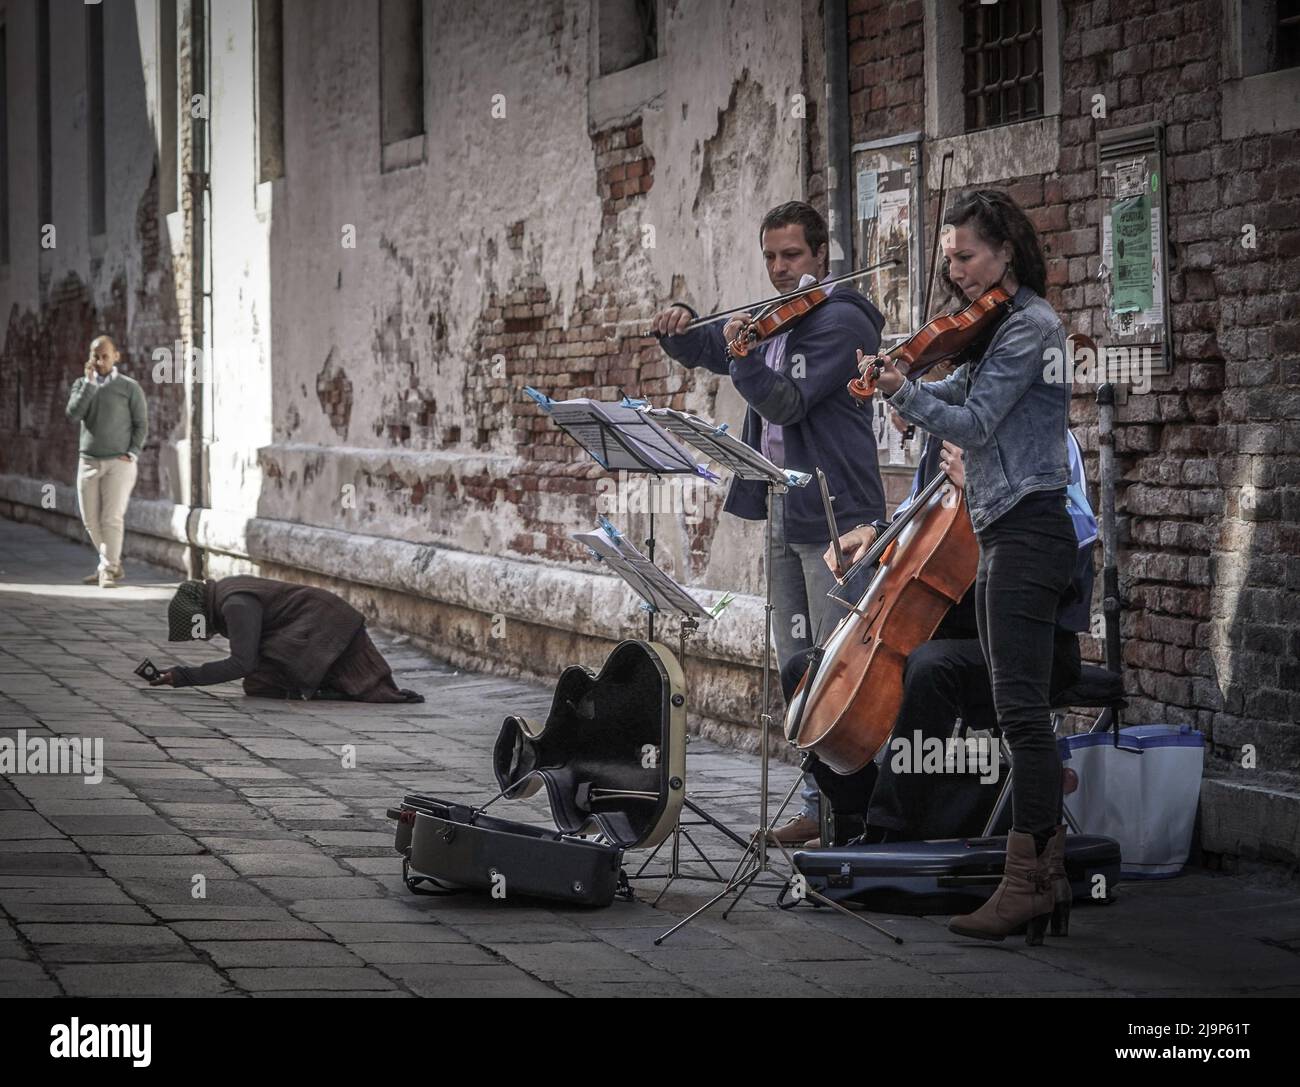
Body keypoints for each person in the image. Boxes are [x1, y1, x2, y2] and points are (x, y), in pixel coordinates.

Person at [861, 188, 1079, 944]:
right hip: (1003, 531)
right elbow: (950, 390)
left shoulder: (1033, 328)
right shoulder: (992, 331)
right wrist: (900, 385)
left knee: (1020, 712)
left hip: (1030, 530)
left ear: (1006, 251)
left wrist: (908, 395)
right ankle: (1039, 877)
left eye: (967, 256)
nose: (954, 271)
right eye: (949, 257)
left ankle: (1030, 882)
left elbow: (976, 422)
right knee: (1013, 703)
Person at [652, 201, 887, 845]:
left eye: (792, 257)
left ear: (821, 258)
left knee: (840, 665)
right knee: (796, 662)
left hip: (839, 513)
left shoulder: (840, 323)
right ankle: (817, 799)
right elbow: (709, 345)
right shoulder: (774, 321)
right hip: (785, 504)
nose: (780, 270)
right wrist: (680, 328)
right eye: (771, 258)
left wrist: (744, 357)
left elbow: (784, 400)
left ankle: (855, 811)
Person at [788, 416, 1095, 849]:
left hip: (1029, 646)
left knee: (930, 667)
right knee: (804, 671)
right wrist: (875, 533)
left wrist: (986, 489)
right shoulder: (943, 440)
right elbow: (917, 519)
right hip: (938, 629)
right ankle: (853, 817)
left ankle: (889, 835)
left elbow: (1078, 531)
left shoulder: (1045, 439)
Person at [151, 576, 425, 704]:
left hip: (323, 625)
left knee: (259, 681)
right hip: (317, 622)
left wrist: (183, 676)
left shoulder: (235, 605)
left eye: (203, 630)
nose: (207, 635)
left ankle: (320, 687)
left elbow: (242, 662)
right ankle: (322, 687)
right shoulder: (224, 591)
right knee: (260, 684)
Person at [65, 335, 148, 588]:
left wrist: (132, 452)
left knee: (111, 518)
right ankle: (110, 563)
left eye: (104, 355)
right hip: (88, 461)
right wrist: (90, 385)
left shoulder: (129, 387)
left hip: (119, 463)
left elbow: (140, 424)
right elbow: (73, 414)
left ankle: (108, 569)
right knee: (90, 519)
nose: (100, 361)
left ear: (116, 356)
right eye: (95, 356)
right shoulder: (82, 384)